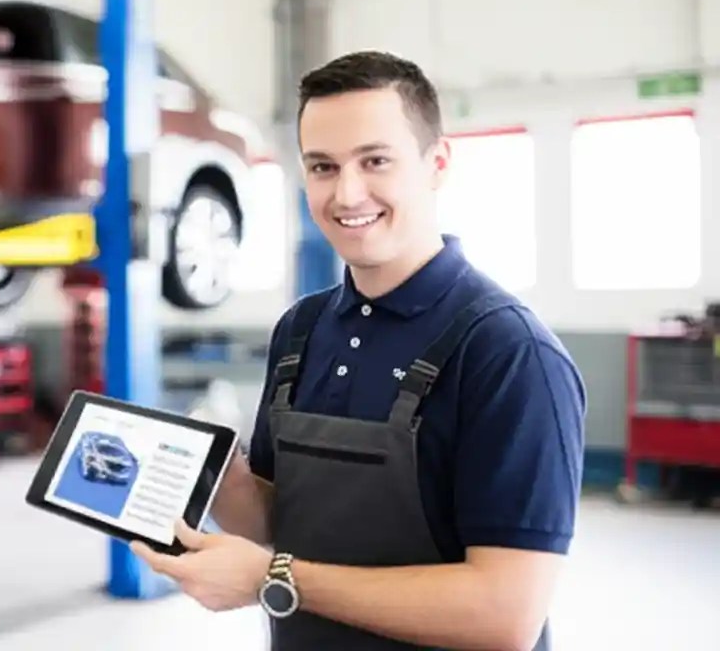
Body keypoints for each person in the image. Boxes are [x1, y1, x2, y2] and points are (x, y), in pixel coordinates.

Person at [131, 50, 586, 651]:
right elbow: (279, 521)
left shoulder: (508, 353)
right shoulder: (301, 328)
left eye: (375, 161)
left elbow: (504, 615)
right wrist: (217, 475)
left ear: (436, 164)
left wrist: (274, 579)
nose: (347, 193)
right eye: (322, 167)